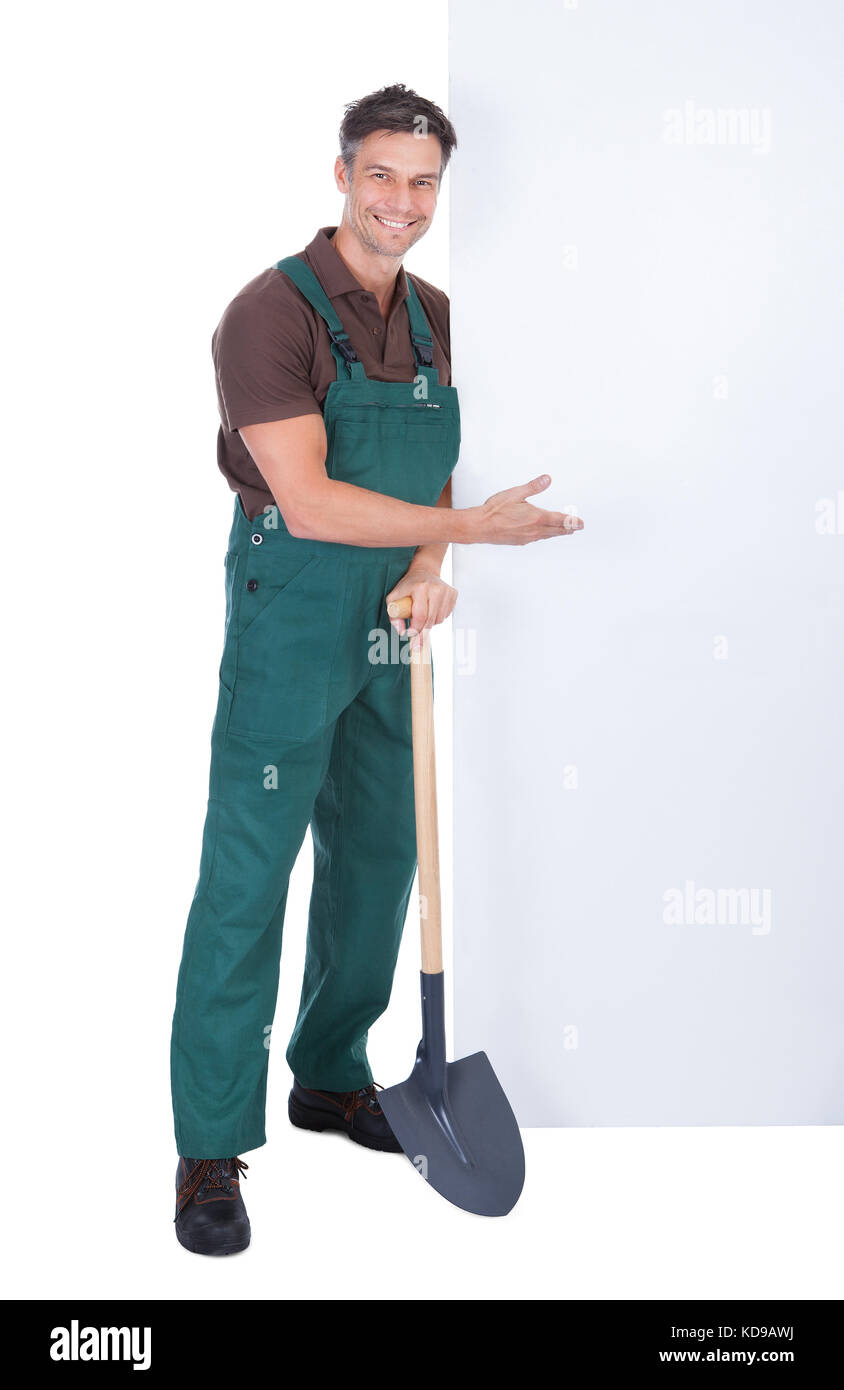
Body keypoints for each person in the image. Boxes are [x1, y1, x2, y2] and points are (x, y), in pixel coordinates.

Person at [170, 82, 584, 1256]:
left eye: (424, 182)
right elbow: (301, 498)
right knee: (249, 876)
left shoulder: (441, 315)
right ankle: (209, 1146)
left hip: (391, 608)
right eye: (382, 177)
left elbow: (430, 466)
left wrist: (430, 560)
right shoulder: (271, 312)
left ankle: (331, 1074)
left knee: (381, 855)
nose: (402, 203)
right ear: (342, 176)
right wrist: (470, 537)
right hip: (292, 603)